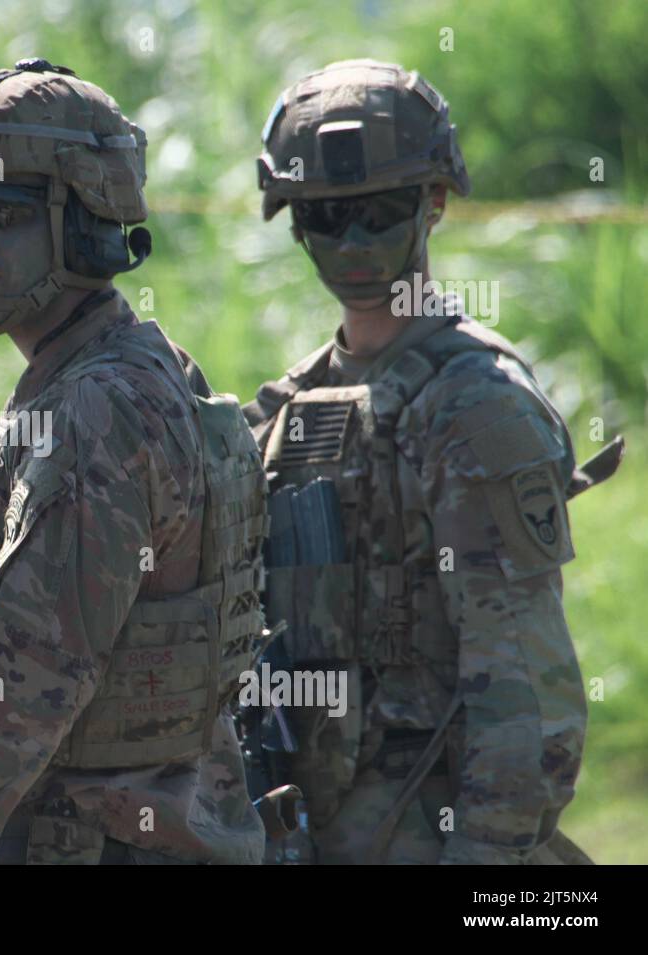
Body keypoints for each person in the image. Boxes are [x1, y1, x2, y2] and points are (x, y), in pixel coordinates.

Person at [0, 59, 269, 864]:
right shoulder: (131, 371)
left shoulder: (91, 415)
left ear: (84, 222)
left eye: (2, 213)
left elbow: (16, 694)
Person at [243, 59, 613, 864]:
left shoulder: (476, 405)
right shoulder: (291, 406)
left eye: (377, 213)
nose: (352, 242)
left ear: (434, 203)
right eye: (325, 217)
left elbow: (529, 693)